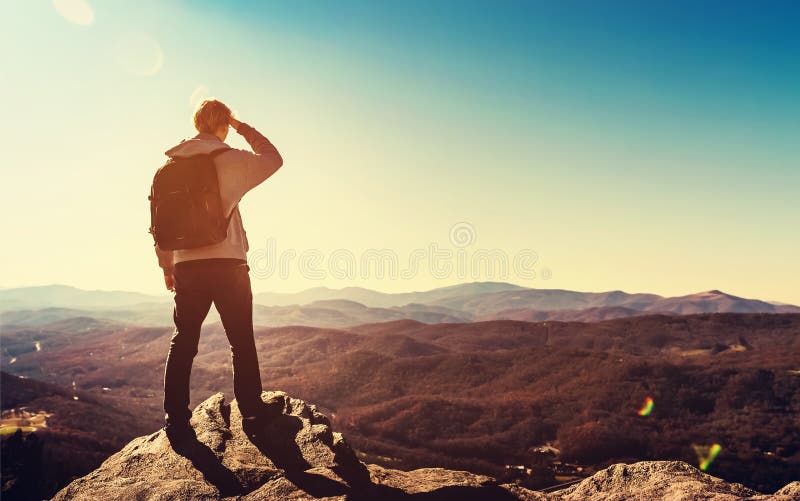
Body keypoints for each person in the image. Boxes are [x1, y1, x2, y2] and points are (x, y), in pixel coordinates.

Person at [154, 99, 283, 438]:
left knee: (184, 341)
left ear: (197, 124)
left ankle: (176, 420)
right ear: (223, 125)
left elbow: (159, 225)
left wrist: (167, 265)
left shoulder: (168, 168)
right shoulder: (229, 159)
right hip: (228, 263)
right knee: (240, 339)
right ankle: (252, 413)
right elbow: (273, 158)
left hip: (186, 265)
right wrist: (243, 128)